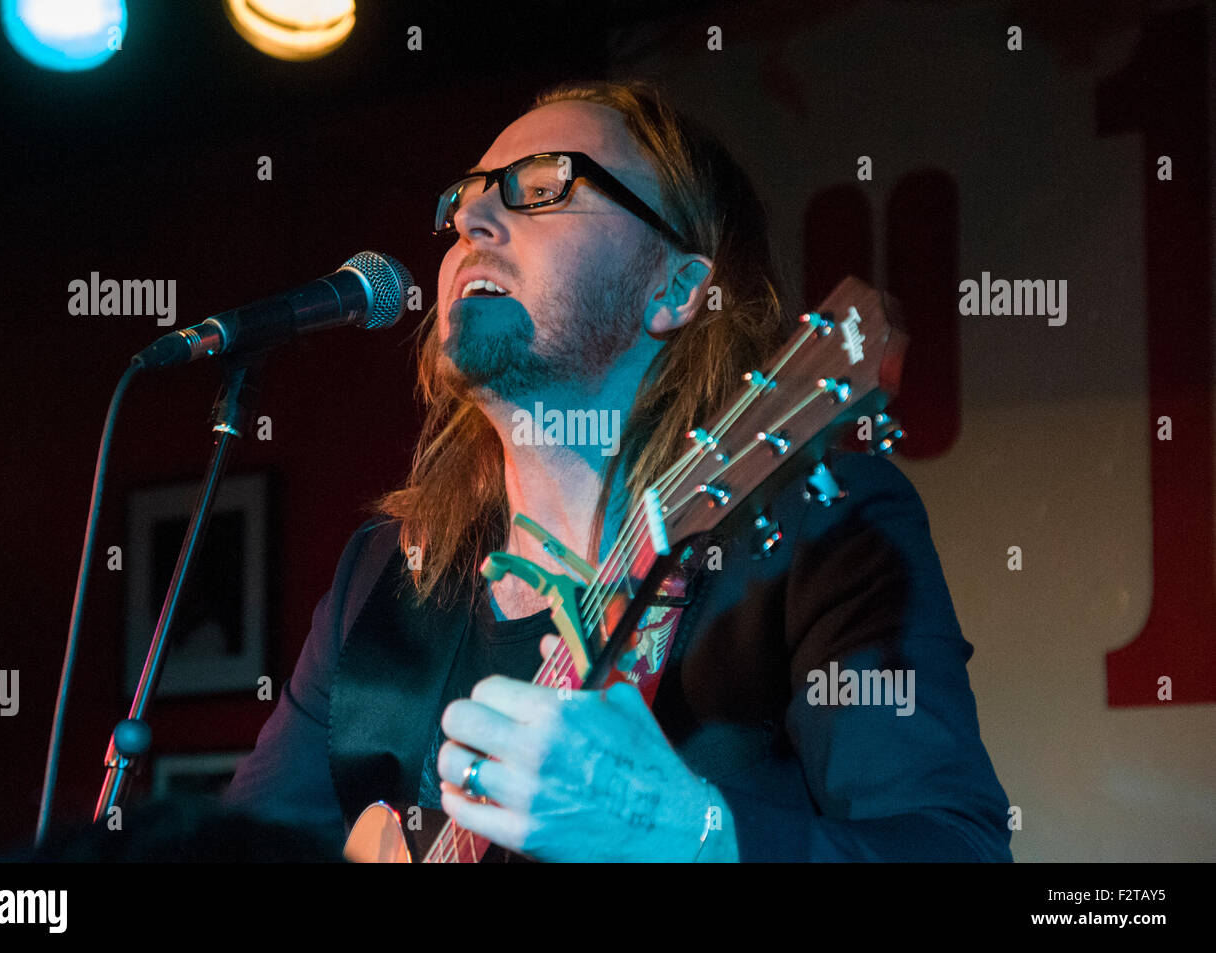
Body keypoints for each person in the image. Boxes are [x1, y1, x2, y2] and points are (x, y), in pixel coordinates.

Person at [223, 79, 1013, 862]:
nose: (471, 218)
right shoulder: (384, 572)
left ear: (674, 288)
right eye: (462, 200)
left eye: (541, 186)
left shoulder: (821, 530)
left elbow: (959, 850)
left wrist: (687, 836)